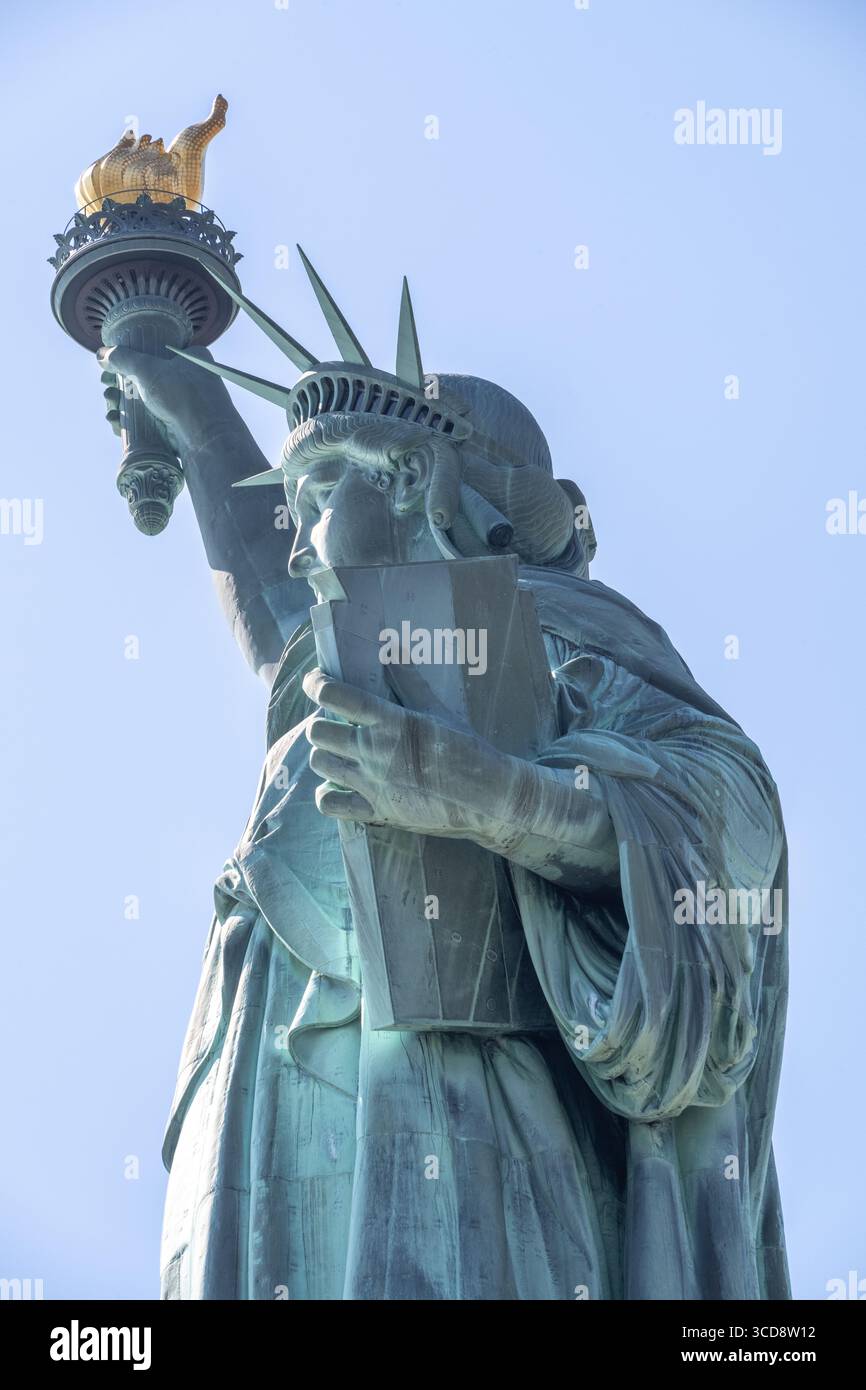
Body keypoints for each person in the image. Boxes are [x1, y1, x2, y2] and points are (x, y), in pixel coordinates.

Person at [98, 255, 789, 1300]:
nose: (302, 538)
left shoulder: (559, 637)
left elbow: (728, 819)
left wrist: (488, 794)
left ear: (418, 482)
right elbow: (278, 605)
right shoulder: (357, 661)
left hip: (462, 1100)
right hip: (266, 1110)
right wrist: (183, 395)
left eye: (320, 491)